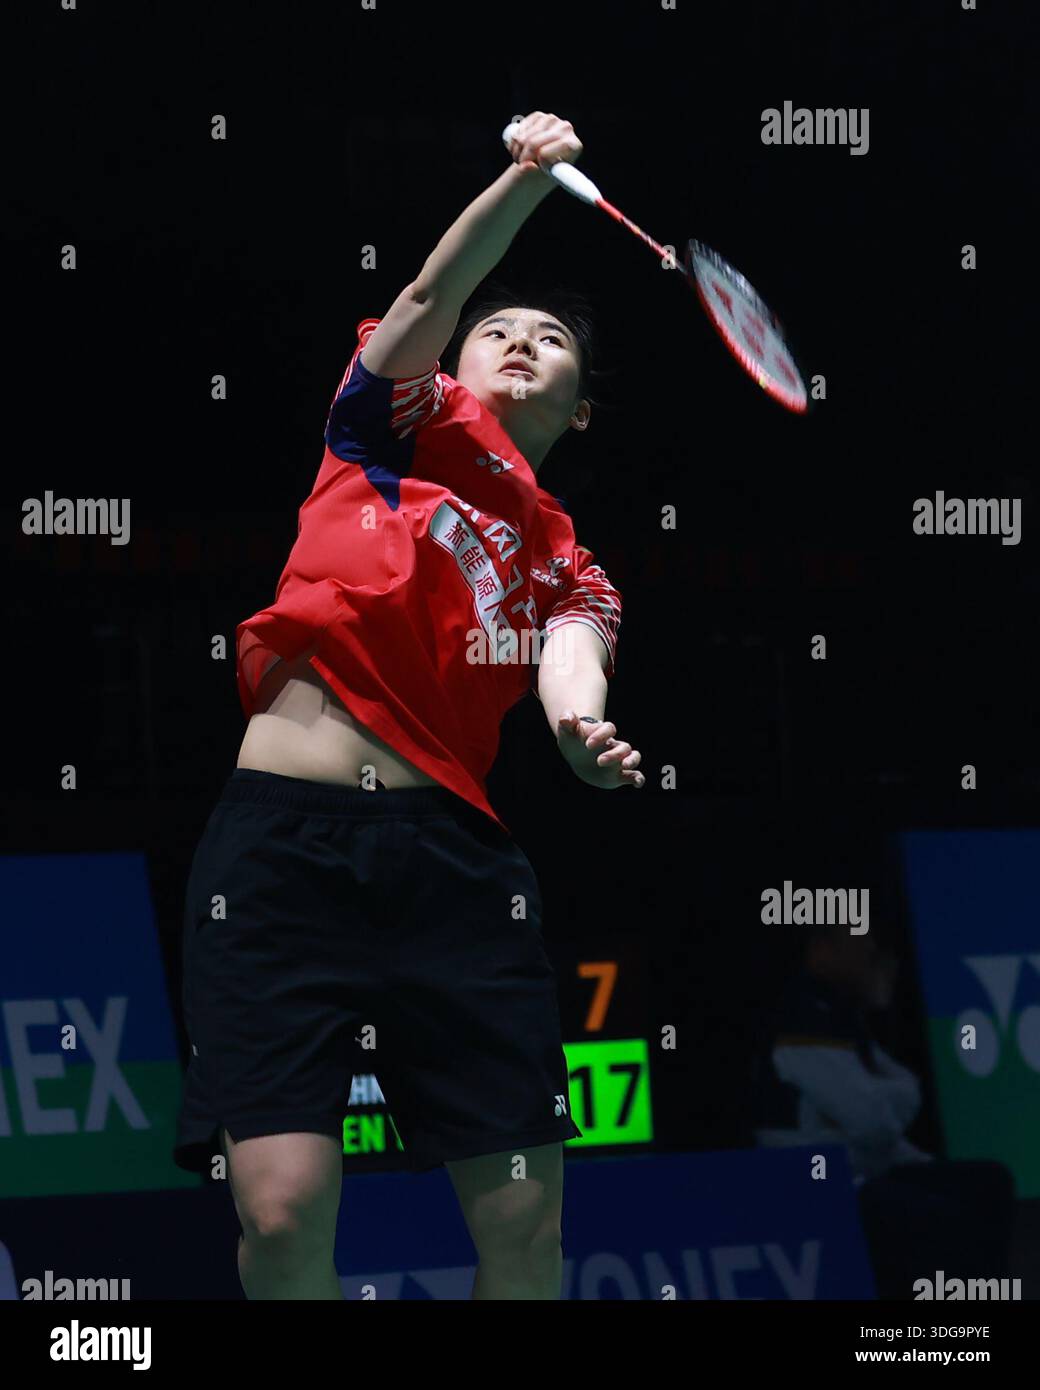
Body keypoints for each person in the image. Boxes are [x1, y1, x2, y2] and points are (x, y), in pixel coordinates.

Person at [173, 112, 644, 1301]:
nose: (521, 343)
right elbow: (438, 284)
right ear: (452, 362)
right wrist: (524, 181)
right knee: (280, 1214)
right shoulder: (386, 424)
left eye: (549, 339)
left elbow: (569, 664)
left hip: (453, 866)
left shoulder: (570, 562)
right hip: (283, 846)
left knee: (526, 1228)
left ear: (581, 408)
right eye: (499, 332)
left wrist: (580, 739)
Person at [752, 927, 1015, 1299]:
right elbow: (871, 1120)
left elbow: (905, 1092)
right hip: (814, 1182)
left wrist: (878, 1015)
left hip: (865, 1167)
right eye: (860, 946)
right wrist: (884, 1103)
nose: (871, 956)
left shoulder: (842, 1015)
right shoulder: (802, 1016)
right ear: (821, 950)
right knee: (933, 1219)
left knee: (989, 1182)